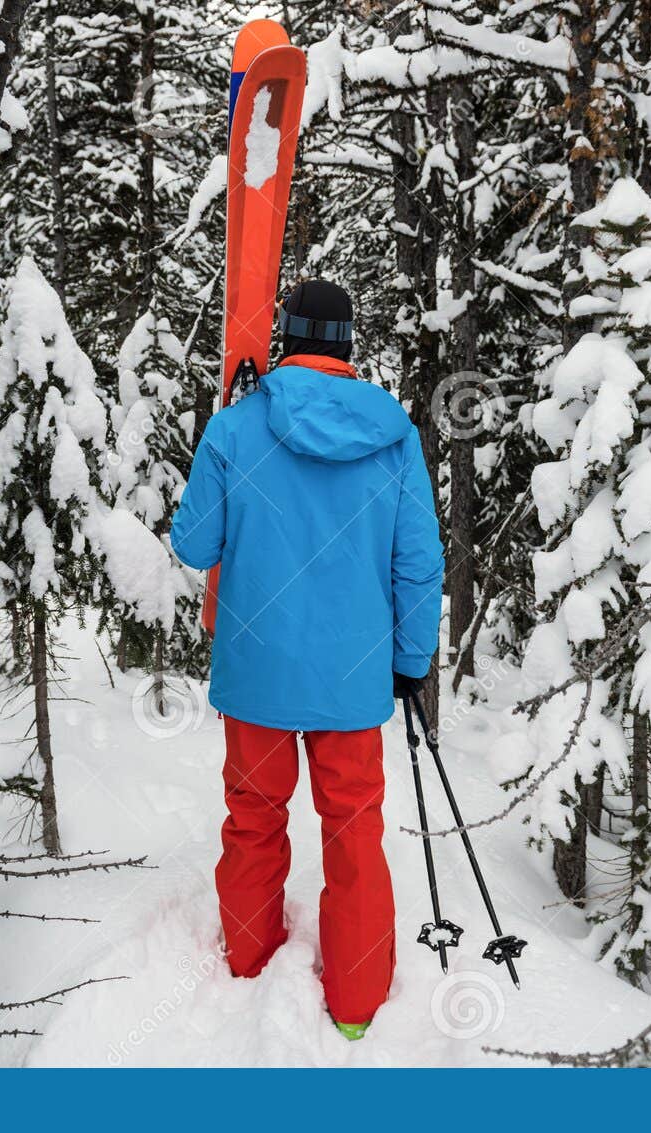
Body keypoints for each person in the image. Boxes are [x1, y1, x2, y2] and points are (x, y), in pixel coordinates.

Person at [169, 279, 443, 1041]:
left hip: (256, 672)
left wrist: (230, 425)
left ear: (284, 338)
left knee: (254, 820)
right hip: (353, 679)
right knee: (354, 830)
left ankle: (250, 967)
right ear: (350, 348)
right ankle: (355, 1008)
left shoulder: (236, 429)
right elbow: (419, 563)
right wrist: (410, 661)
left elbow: (194, 543)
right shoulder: (396, 436)